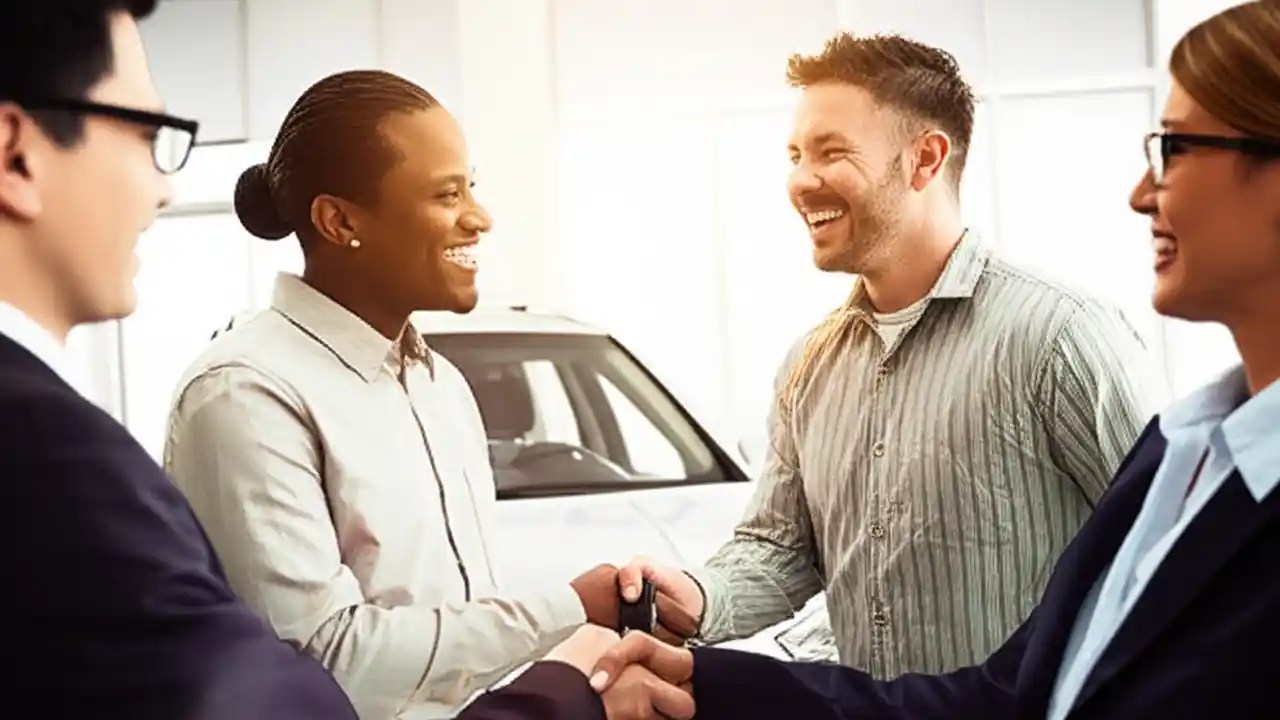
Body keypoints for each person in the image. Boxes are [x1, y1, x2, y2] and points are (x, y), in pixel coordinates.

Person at [588, 2, 1280, 718]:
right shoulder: (809, 365)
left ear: (925, 159)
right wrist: (695, 596)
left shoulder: (1059, 337)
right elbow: (782, 549)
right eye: (795, 155)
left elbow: (1161, 578)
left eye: (831, 151)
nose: (800, 180)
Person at [162, 69, 622, 719]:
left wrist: (588, 663)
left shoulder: (441, 385)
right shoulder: (244, 394)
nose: (480, 217)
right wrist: (573, 607)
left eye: (472, 188)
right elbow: (323, 665)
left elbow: (461, 641)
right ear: (340, 220)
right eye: (446, 193)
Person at [2, 1, 356, 717]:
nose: (164, 187)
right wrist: (570, 688)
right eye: (144, 133)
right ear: (14, 152)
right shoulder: (46, 452)